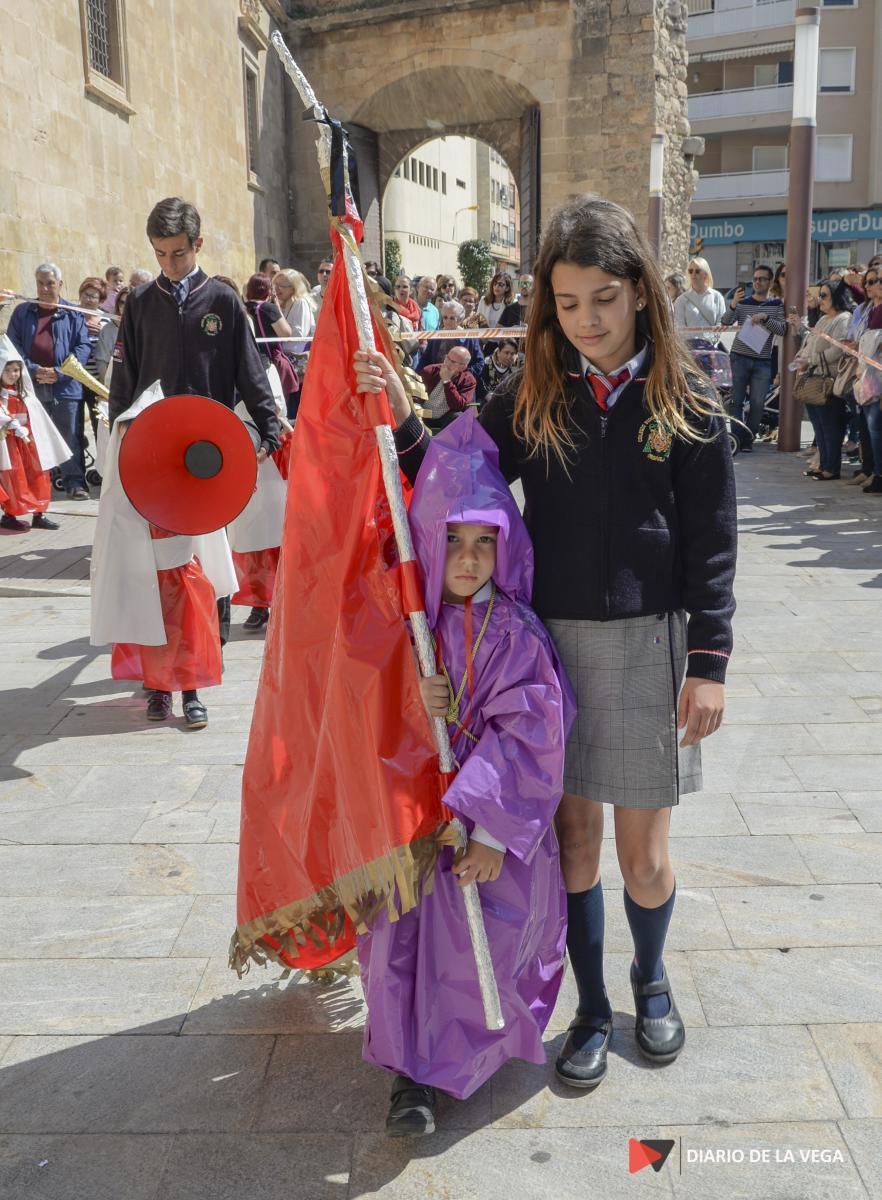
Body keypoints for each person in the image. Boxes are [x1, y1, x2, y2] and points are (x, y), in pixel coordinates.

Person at [359, 194, 736, 1094]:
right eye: (568, 305)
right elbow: (456, 469)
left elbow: (714, 545)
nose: (588, 322)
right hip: (551, 658)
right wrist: (398, 421)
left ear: (642, 292)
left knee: (643, 857)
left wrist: (709, 664)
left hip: (651, 646)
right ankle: (592, 1008)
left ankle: (651, 980)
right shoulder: (531, 393)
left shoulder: (688, 403)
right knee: (572, 849)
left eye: (604, 299)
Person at [352, 409, 573, 1133]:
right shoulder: (399, 625)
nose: (470, 560)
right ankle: (406, 1075)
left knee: (474, 950)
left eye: (486, 543)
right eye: (454, 541)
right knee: (400, 947)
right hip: (408, 825)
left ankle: (457, 1064)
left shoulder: (514, 631)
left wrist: (489, 826)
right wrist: (415, 707)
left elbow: (534, 736)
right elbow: (356, 712)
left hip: (483, 836)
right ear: (427, 539)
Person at [109, 196, 281, 723]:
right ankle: (158, 681)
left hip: (208, 459)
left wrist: (269, 427)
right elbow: (124, 380)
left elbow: (249, 370)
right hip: (154, 457)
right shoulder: (139, 304)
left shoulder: (223, 303)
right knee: (156, 570)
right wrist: (116, 444)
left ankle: (197, 682)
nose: (169, 264)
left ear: (198, 245)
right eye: (160, 254)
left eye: (178, 254)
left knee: (208, 570)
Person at [7, 262, 92, 499]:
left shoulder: (73, 313)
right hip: (32, 386)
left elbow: (83, 346)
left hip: (66, 386)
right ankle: (37, 486)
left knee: (69, 435)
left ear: (60, 285)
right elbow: (13, 346)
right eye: (40, 283)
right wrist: (33, 370)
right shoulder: (23, 312)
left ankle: (75, 483)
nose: (45, 289)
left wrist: (60, 371)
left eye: (50, 283)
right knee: (33, 436)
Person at [0, 337, 70, 531]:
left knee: (39, 475)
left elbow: (36, 416)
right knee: (15, 478)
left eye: (16, 370)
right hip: (10, 442)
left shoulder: (26, 393)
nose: (12, 375)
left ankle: (39, 513)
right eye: (7, 370)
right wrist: (10, 423)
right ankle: (10, 514)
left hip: (30, 441)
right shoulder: (2, 394)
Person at [790, 279, 855, 481]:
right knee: (819, 426)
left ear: (836, 297)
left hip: (828, 379)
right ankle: (823, 464)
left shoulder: (843, 319)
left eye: (825, 295)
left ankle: (831, 468)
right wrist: (800, 357)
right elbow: (809, 341)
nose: (821, 299)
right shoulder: (822, 319)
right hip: (813, 378)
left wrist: (810, 360)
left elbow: (837, 350)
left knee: (831, 428)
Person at [721, 263, 787, 451]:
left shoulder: (775, 305)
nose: (757, 282)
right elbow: (725, 321)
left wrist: (766, 318)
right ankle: (738, 439)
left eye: (762, 279)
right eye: (755, 279)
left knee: (758, 403)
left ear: (770, 281)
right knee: (736, 400)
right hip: (739, 357)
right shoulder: (743, 302)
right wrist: (733, 304)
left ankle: (748, 437)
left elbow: (782, 329)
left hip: (762, 361)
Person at [417, 301, 485, 379]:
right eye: (445, 317)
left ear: (460, 320)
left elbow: (480, 362)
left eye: (452, 318)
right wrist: (417, 375)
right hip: (436, 380)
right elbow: (425, 358)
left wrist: (464, 376)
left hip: (459, 383)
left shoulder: (469, 338)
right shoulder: (436, 336)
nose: (448, 321)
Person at [419, 344, 476, 429]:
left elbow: (459, 406)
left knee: (458, 417)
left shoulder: (468, 380)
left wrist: (447, 381)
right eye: (447, 358)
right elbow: (415, 394)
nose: (447, 363)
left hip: (444, 418)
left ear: (463, 367)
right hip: (422, 414)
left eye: (453, 362)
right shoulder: (430, 371)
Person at [674, 258, 726, 331]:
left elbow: (720, 323)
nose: (693, 274)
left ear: (705, 274)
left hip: (711, 341)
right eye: (690, 271)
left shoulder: (717, 297)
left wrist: (710, 341)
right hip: (689, 342)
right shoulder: (681, 300)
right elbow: (680, 327)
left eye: (697, 271)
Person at [95, 288, 130, 384]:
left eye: (129, 302)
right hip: (114, 386)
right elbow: (102, 361)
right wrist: (104, 388)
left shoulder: (144, 328)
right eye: (121, 302)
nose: (124, 306)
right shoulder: (107, 330)